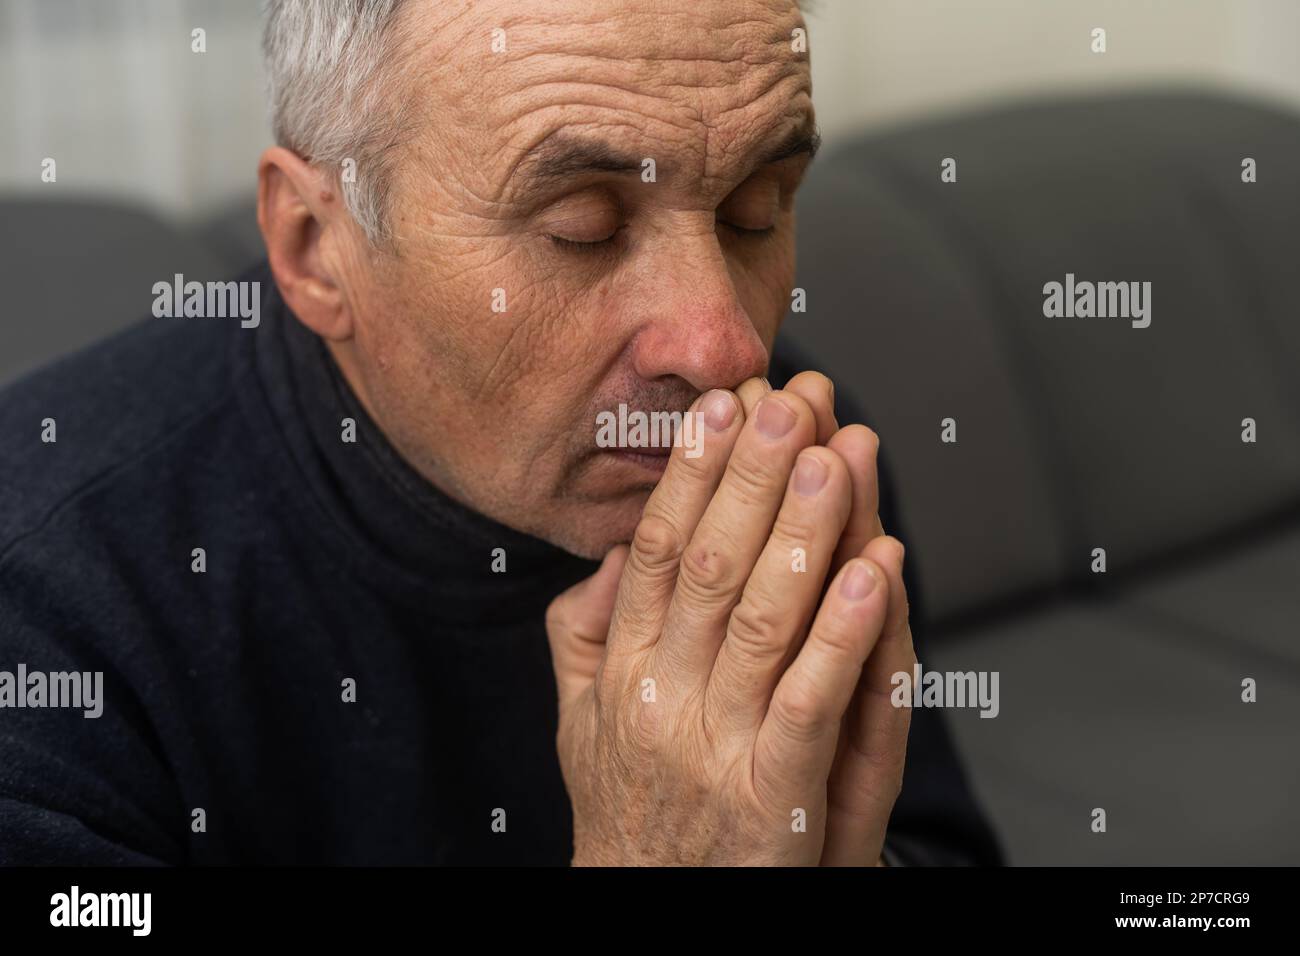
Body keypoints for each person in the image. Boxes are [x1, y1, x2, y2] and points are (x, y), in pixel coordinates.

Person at [0, 0, 999, 865]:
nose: (726, 346)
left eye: (753, 210)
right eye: (583, 227)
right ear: (316, 249)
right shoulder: (47, 612)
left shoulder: (792, 462)